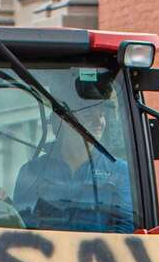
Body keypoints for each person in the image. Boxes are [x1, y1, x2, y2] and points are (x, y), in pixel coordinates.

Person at [12, 98, 134, 232]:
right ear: (64, 121)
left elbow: (126, 227)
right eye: (88, 116)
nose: (99, 122)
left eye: (101, 115)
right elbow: (21, 224)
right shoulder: (32, 171)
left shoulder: (119, 171)